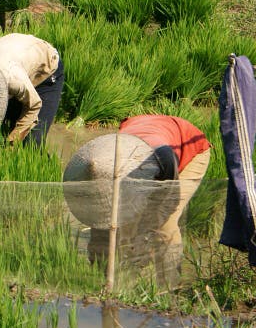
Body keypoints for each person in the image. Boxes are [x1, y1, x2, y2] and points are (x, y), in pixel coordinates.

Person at [64, 114, 211, 286]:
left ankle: (169, 291)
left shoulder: (163, 157)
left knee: (164, 225)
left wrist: (142, 235)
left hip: (187, 148)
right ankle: (101, 283)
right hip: (139, 130)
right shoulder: (97, 159)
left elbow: (168, 203)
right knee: (103, 227)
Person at [0, 33, 63, 145]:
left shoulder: (11, 78)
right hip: (14, 55)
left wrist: (12, 143)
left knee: (31, 142)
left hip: (45, 71)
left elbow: (34, 105)